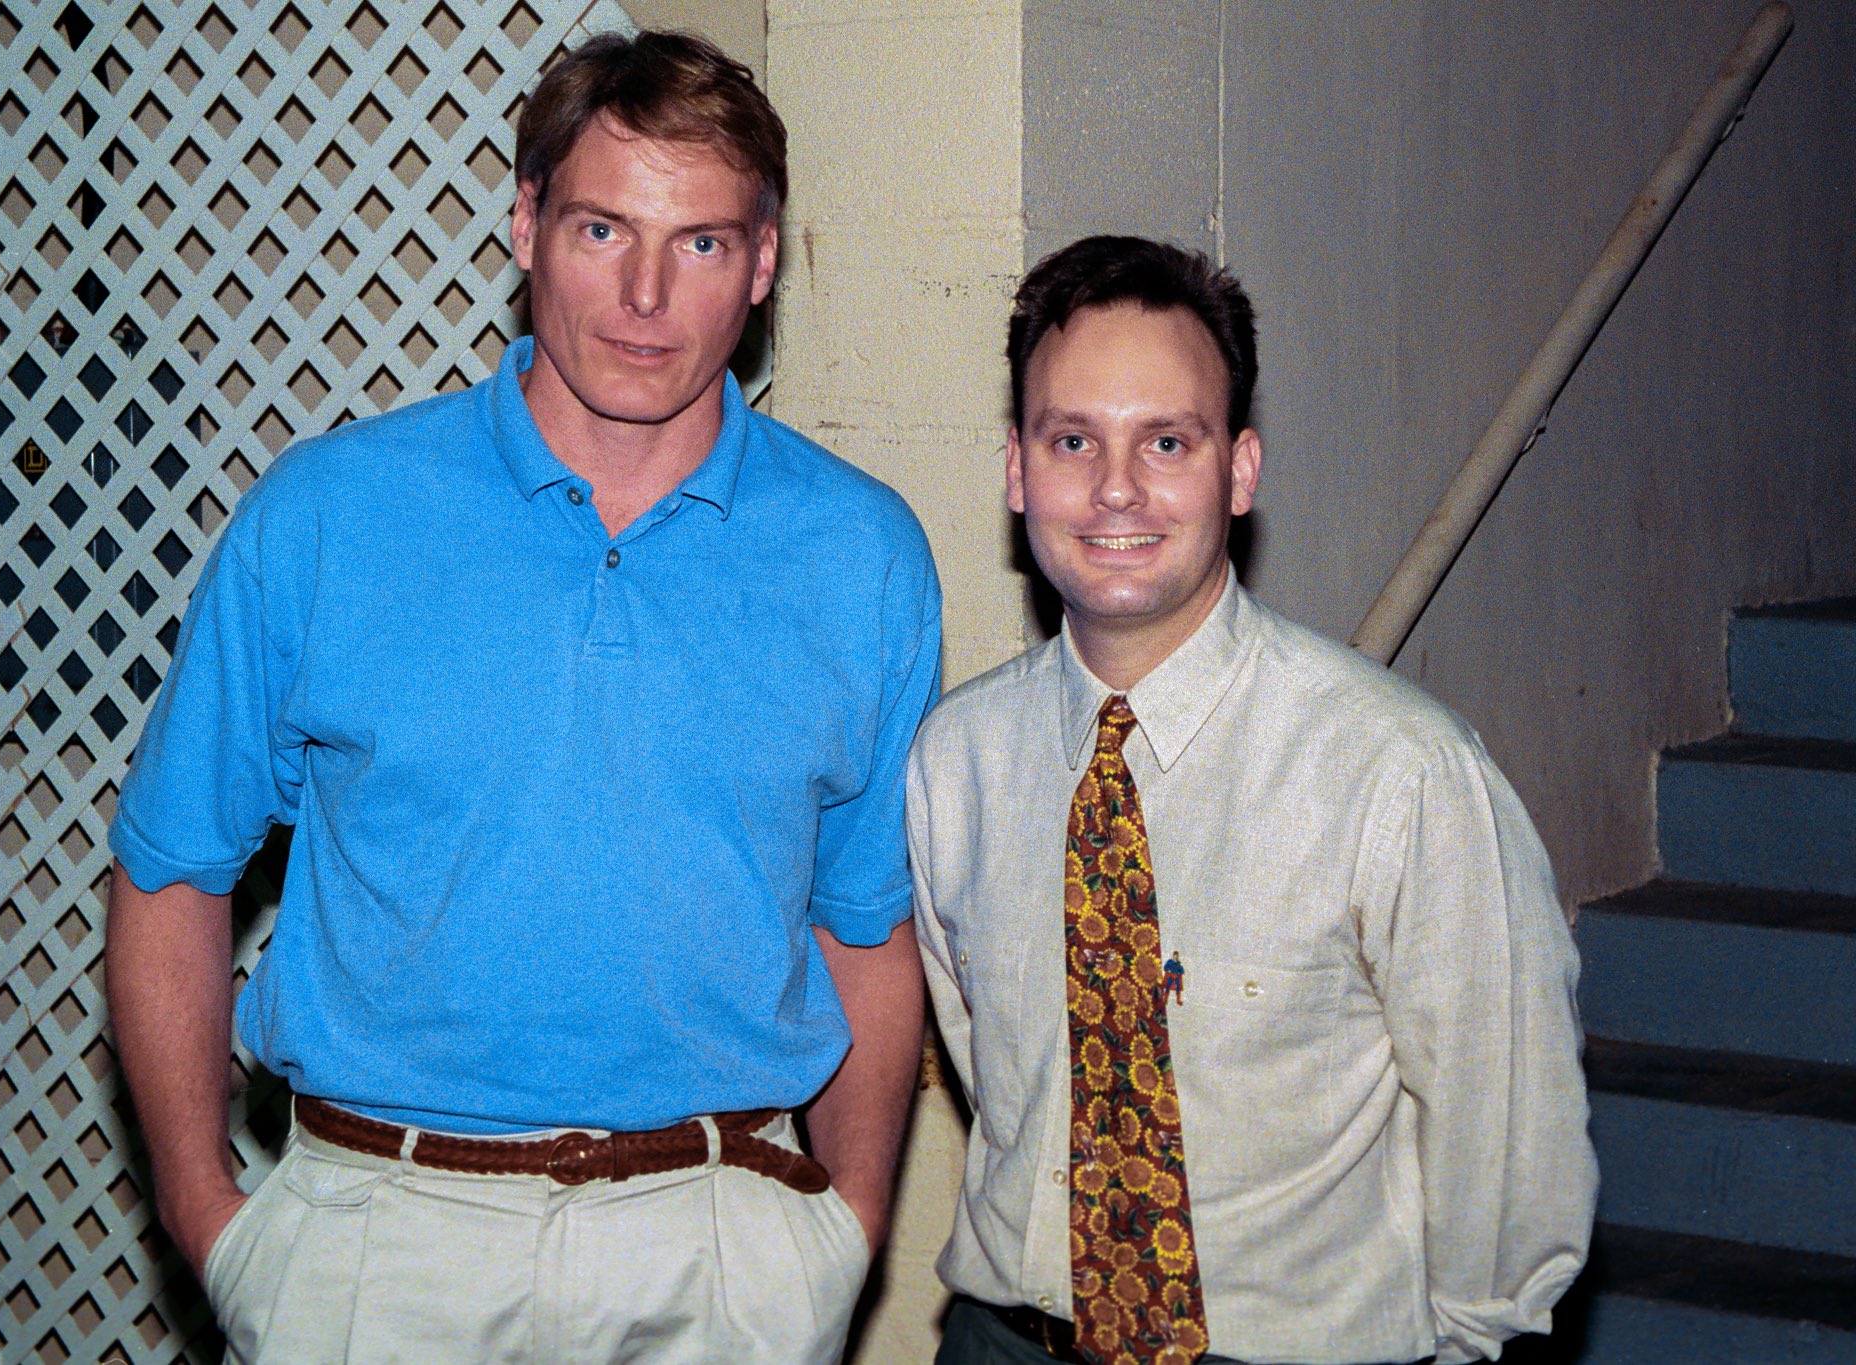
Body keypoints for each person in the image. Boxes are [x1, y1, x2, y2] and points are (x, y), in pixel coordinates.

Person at [104, 31, 940, 1364]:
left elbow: (865, 923)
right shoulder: (326, 517)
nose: (646, 295)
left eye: (702, 242)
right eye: (603, 229)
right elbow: (169, 873)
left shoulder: (862, 554)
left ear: (763, 264)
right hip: (378, 1246)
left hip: (721, 1247)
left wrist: (846, 1232)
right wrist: (211, 1217)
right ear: (526, 226)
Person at [907, 236, 1595, 1365]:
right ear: (1017, 471)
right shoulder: (957, 762)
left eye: (1166, 442)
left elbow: (1508, 1146)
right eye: (1072, 440)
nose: (1116, 487)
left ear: (1239, 470)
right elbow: (1000, 1078)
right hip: (1005, 1342)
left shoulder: (1399, 773)